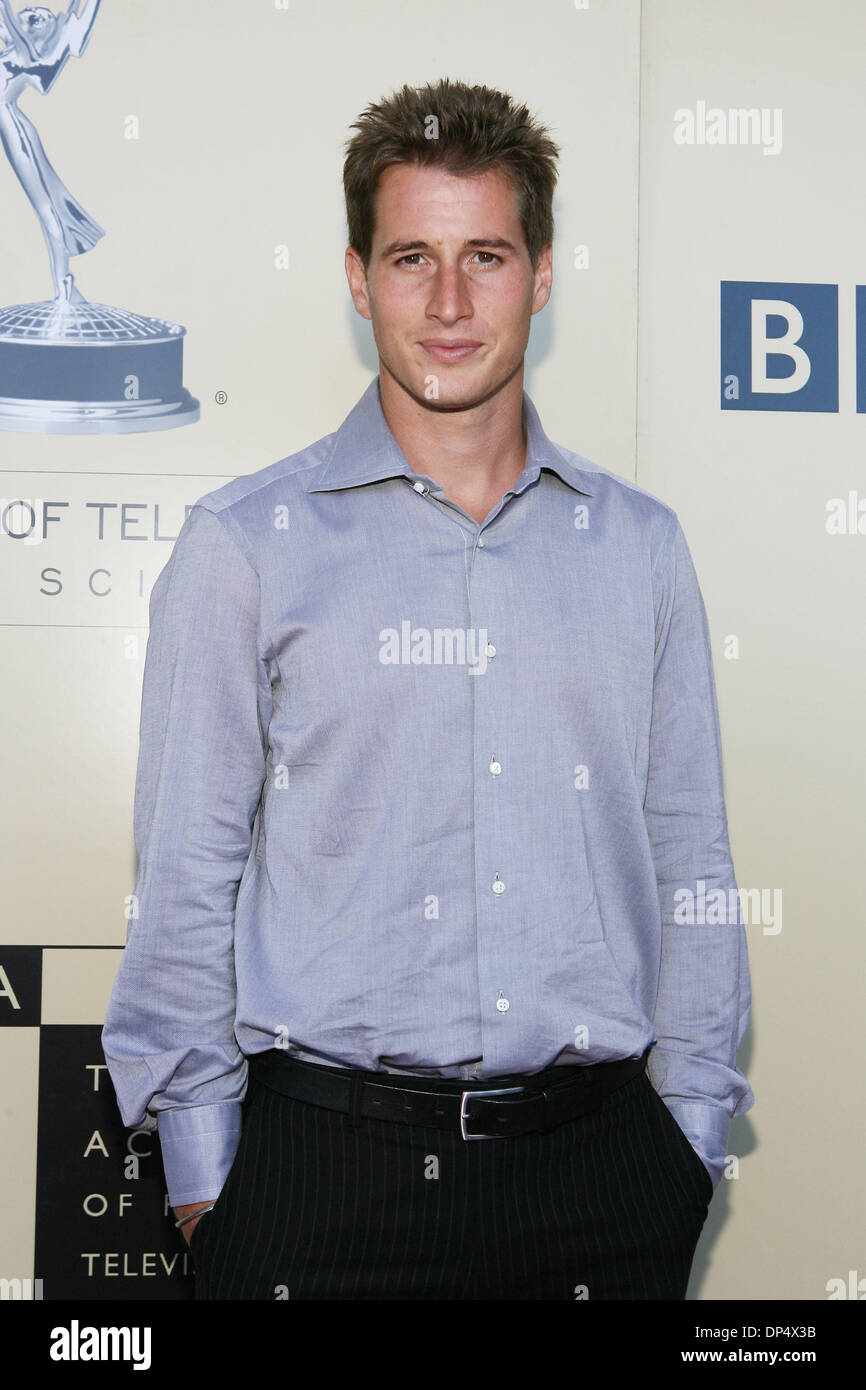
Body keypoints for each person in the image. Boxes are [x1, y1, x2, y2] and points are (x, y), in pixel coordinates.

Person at [102, 77, 754, 1301]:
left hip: (603, 1182)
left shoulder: (639, 547)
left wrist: (687, 1143)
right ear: (357, 279)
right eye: (411, 258)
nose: (449, 303)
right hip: (319, 1184)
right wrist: (204, 1185)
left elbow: (692, 863)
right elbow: (186, 877)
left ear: (541, 274)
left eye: (485, 256)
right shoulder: (244, 546)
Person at [0, 1, 103, 303]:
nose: (33, 11)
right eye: (32, 9)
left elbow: (6, 14)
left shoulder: (25, 55)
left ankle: (63, 284)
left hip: (15, 131)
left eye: (41, 17)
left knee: (47, 209)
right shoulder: (10, 45)